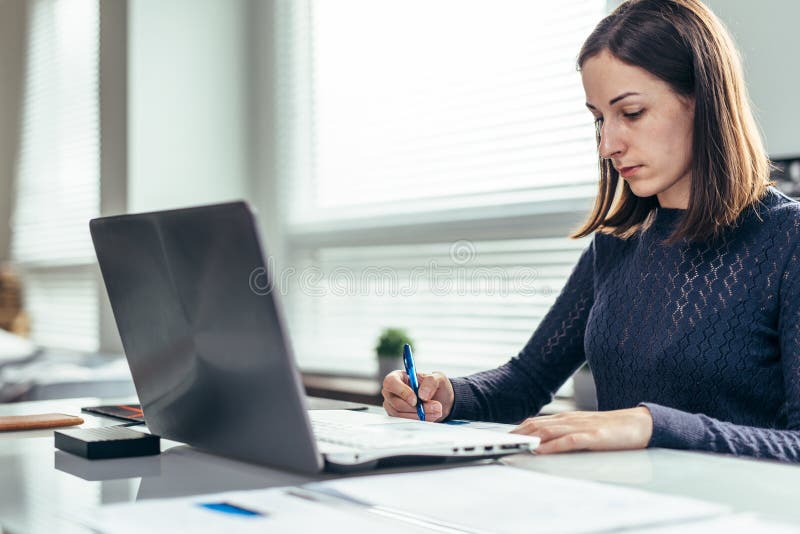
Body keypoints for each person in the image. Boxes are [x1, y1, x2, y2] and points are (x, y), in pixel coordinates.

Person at [382, 0, 800, 463]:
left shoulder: (788, 240)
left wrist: (648, 423)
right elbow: (527, 382)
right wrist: (447, 394)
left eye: (632, 112)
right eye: (599, 118)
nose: (607, 145)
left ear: (703, 99)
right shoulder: (615, 245)